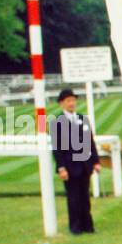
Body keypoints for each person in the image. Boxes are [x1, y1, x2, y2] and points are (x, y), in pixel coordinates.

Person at [52, 88, 101, 234]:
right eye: (68, 100)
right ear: (62, 103)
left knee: (85, 197)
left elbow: (90, 142)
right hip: (69, 166)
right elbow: (57, 148)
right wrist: (61, 168)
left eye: (73, 100)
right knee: (73, 199)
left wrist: (96, 162)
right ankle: (75, 227)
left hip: (84, 165)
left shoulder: (82, 119)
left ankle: (88, 226)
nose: (71, 103)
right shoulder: (57, 123)